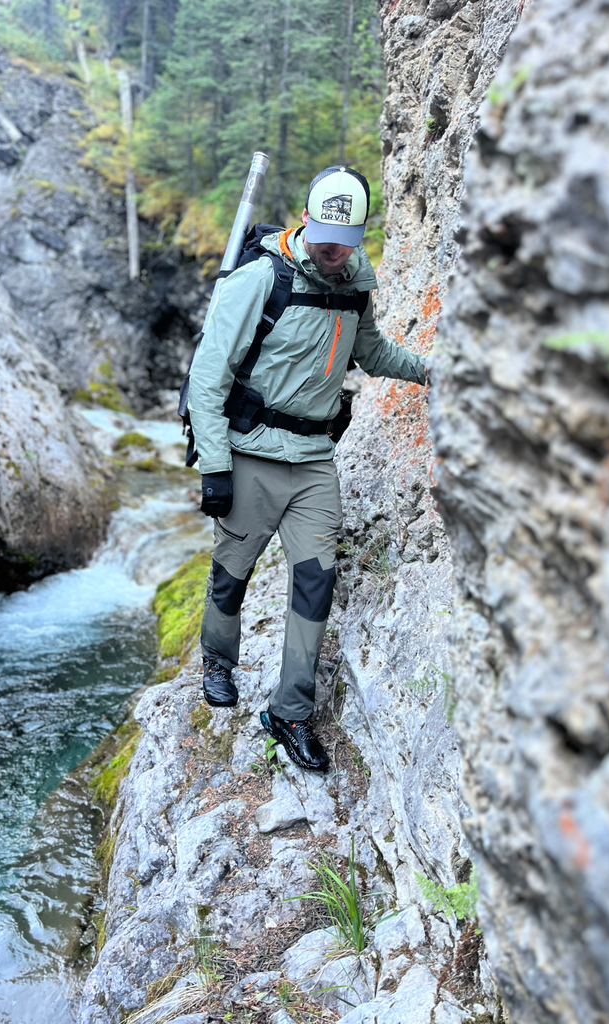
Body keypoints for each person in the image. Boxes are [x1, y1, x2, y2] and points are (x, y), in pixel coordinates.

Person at [187, 166, 426, 772]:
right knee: (232, 570)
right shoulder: (258, 280)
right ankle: (218, 658)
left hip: (315, 459)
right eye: (321, 234)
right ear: (304, 219)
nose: (330, 248)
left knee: (316, 581)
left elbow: (371, 353)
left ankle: (290, 711)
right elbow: (207, 379)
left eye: (342, 239)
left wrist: (433, 370)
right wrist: (214, 467)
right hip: (250, 454)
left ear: (357, 235)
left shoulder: (355, 285)